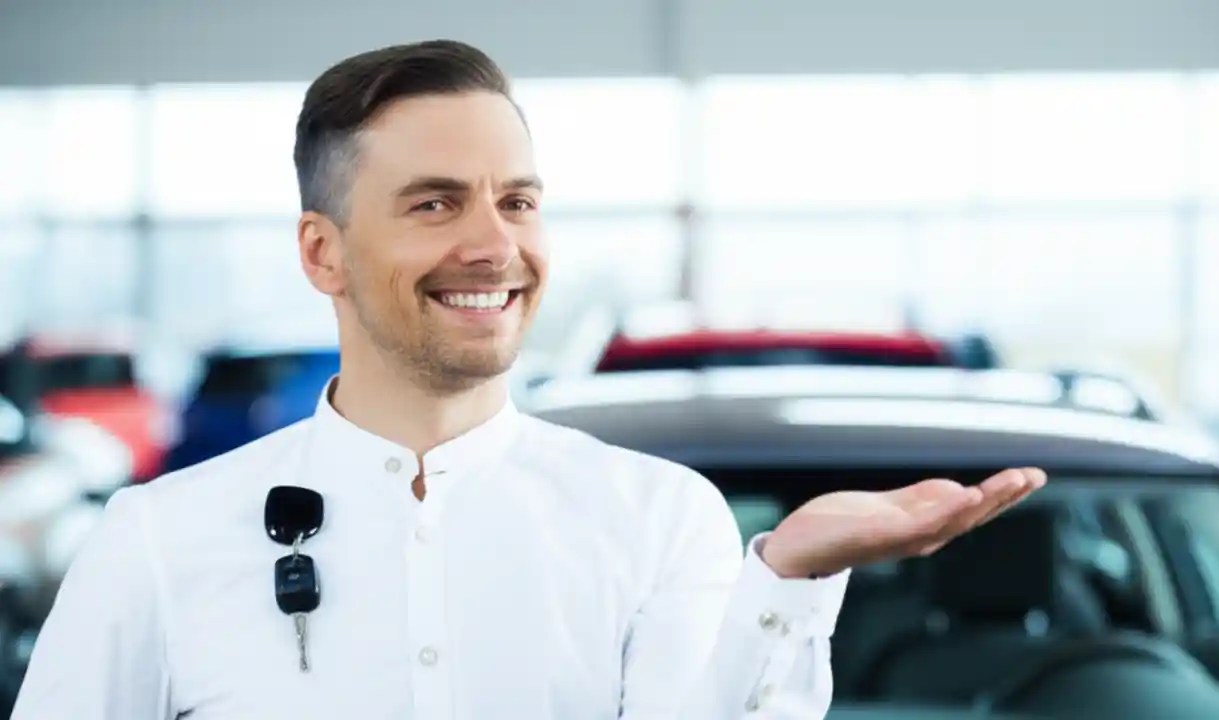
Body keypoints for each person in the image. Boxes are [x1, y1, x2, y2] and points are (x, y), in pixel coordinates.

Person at [10, 40, 1045, 720]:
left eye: (516, 201)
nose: (493, 244)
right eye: (434, 204)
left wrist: (789, 577)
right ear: (323, 253)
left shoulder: (658, 519)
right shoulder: (157, 542)